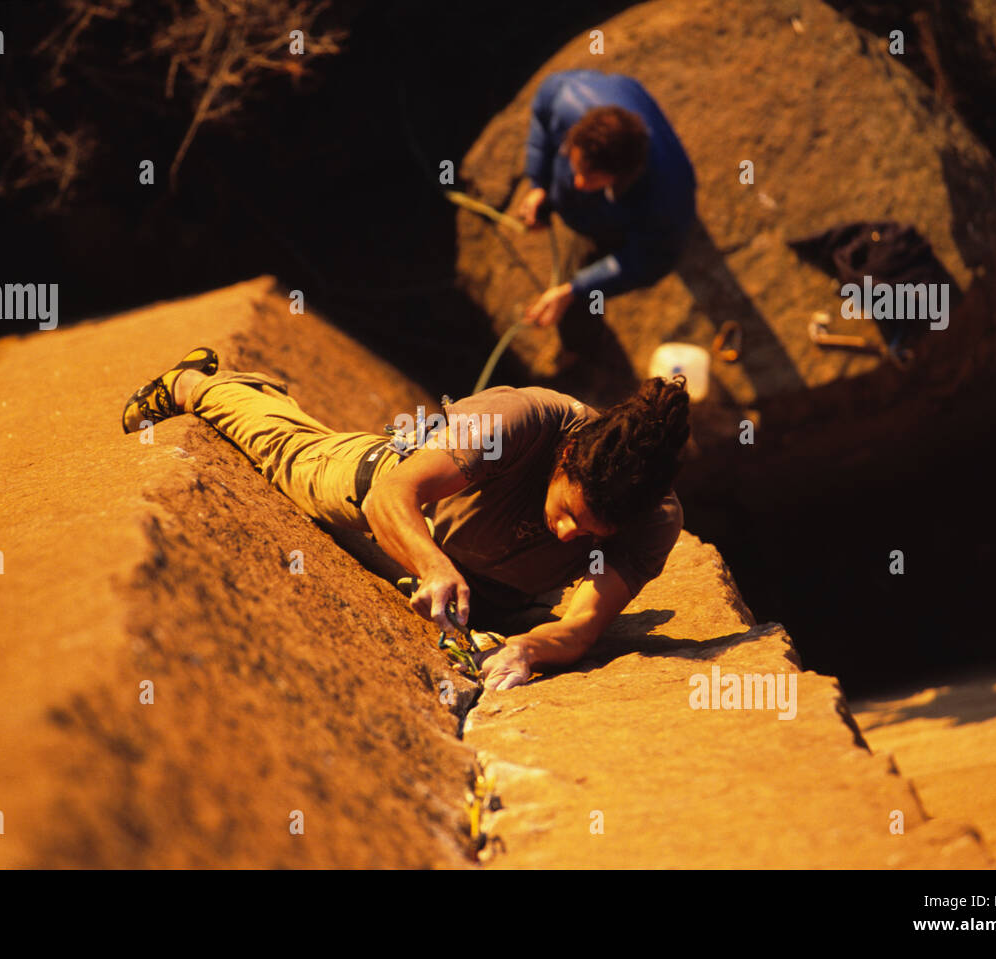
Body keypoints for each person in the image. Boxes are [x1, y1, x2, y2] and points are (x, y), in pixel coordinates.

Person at [121, 348, 689, 691]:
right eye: (569, 512)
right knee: (284, 451)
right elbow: (396, 493)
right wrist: (433, 567)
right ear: (566, 458)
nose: (567, 535)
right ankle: (198, 383)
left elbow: (582, 627)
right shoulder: (523, 419)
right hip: (384, 499)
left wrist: (529, 650)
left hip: (492, 588)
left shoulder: (654, 521)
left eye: (590, 535)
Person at [518, 69, 696, 362]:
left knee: (580, 296)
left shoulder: (666, 199)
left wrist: (574, 289)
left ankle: (582, 349)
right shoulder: (566, 97)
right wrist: (538, 184)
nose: (578, 182)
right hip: (620, 193)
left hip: (642, 214)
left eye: (592, 179)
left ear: (622, 177)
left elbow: (650, 259)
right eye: (576, 166)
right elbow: (542, 116)